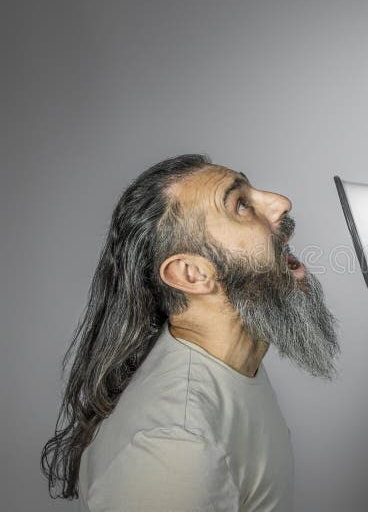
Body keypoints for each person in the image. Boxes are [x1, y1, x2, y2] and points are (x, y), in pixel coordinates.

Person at [41, 154, 339, 511]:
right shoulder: (176, 442)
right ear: (191, 274)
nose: (281, 203)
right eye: (240, 204)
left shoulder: (233, 367)